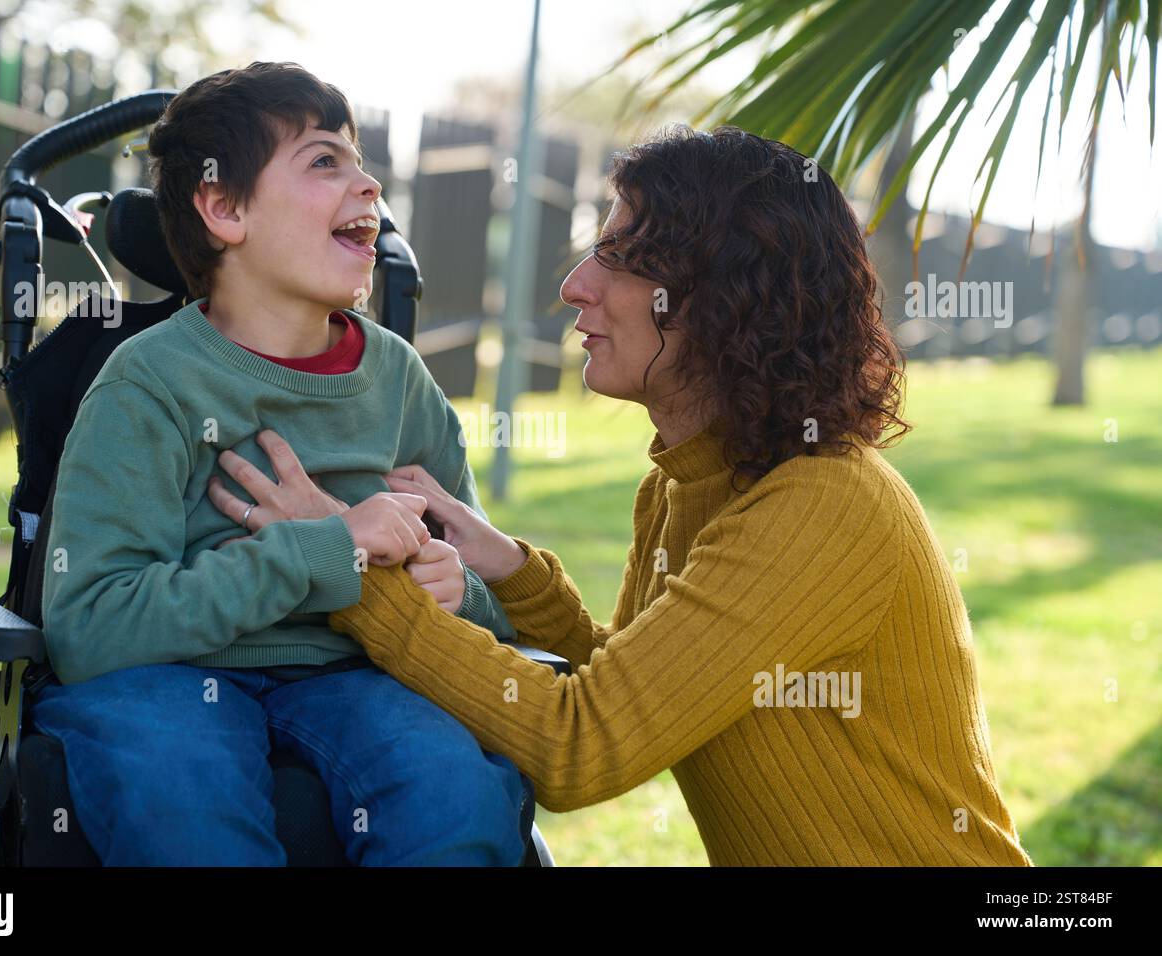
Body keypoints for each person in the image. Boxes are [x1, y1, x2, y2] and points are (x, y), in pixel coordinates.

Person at [217, 125, 1035, 866]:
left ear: (723, 297)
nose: (575, 285)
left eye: (618, 259)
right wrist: (510, 571)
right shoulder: (682, 486)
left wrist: (346, 566)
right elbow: (633, 680)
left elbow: (583, 745)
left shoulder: (823, 505)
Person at [29, 61, 532, 866]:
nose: (368, 185)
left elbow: (477, 594)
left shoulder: (400, 380)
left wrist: (459, 590)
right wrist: (326, 552)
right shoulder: (149, 384)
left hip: (357, 675)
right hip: (167, 672)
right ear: (224, 207)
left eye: (361, 162)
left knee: (454, 795)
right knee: (185, 804)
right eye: (325, 160)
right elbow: (93, 630)